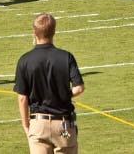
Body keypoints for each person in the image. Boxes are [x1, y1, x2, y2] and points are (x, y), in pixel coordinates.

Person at [14, 13, 84, 152]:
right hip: (63, 124)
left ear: (34, 32)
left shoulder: (25, 60)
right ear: (54, 32)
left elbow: (22, 98)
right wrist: (63, 95)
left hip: (38, 124)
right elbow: (79, 88)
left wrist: (26, 125)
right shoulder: (66, 56)